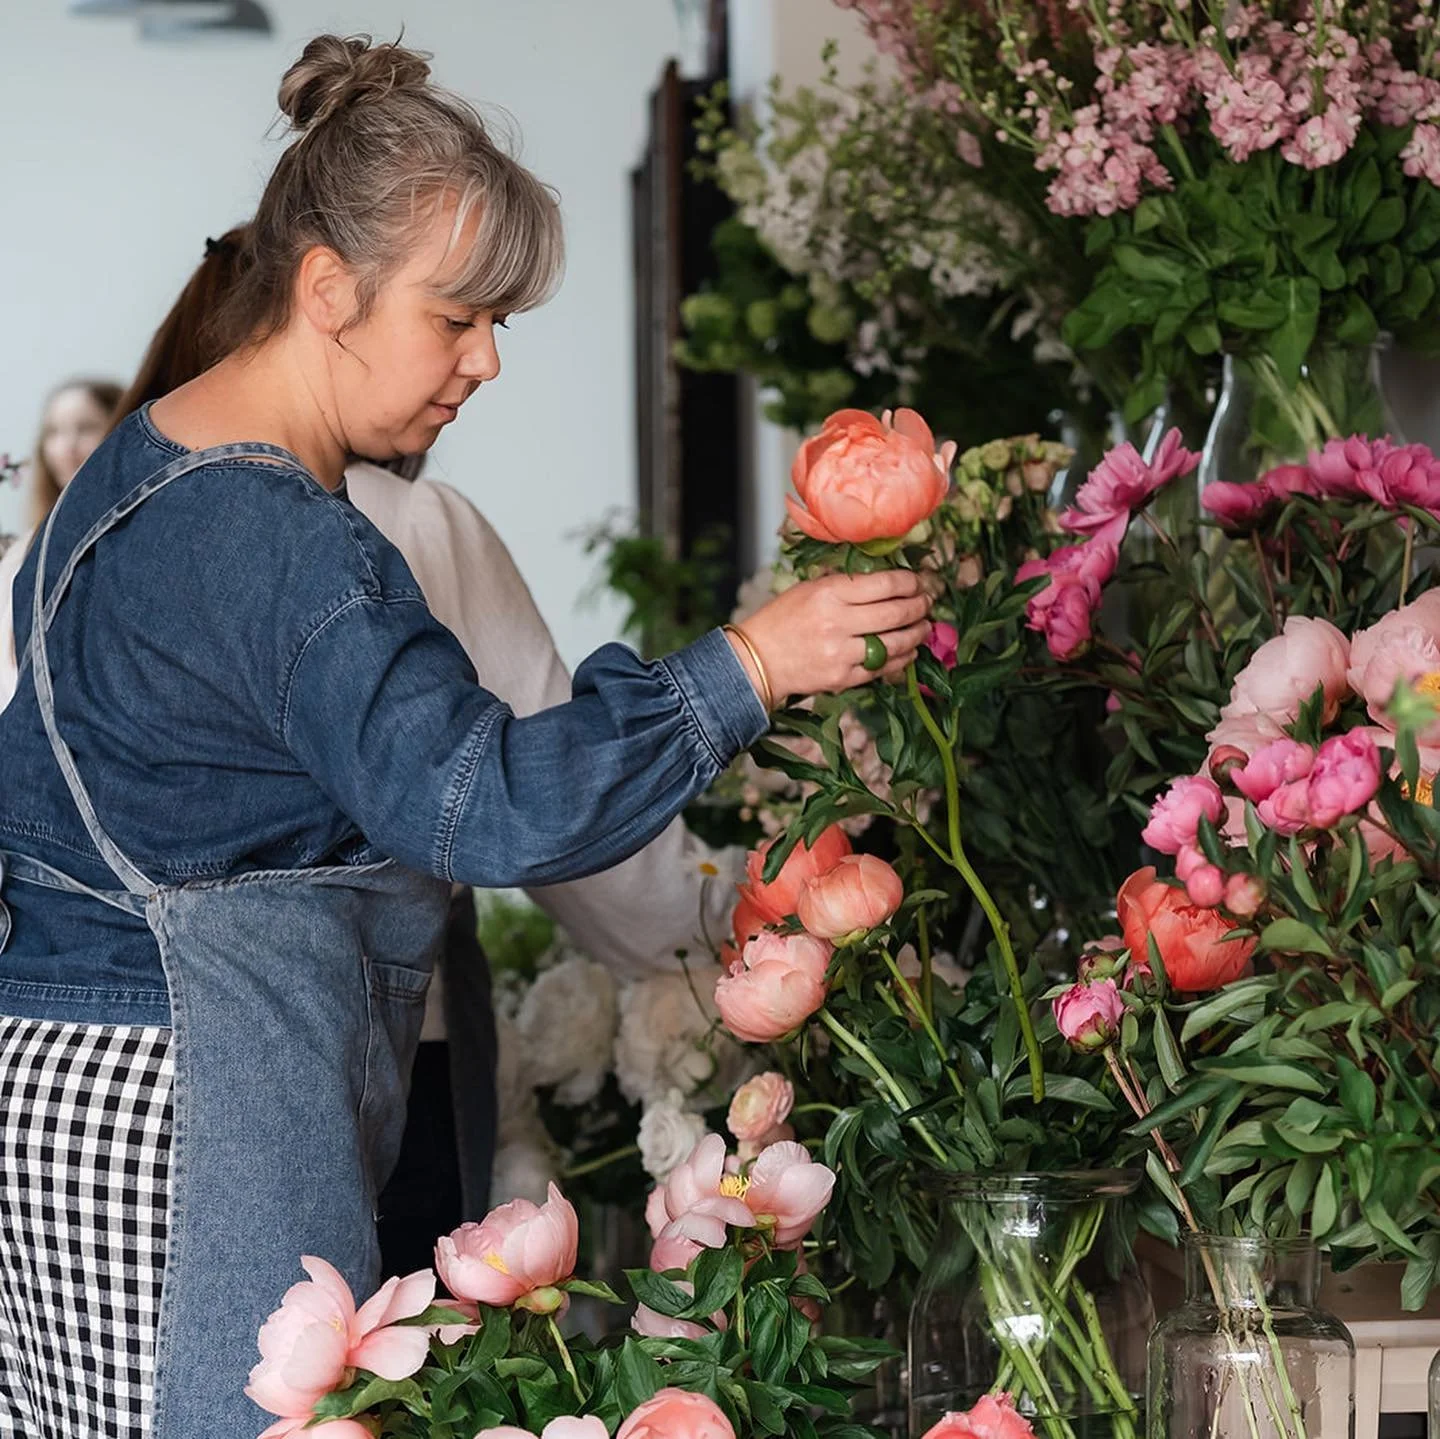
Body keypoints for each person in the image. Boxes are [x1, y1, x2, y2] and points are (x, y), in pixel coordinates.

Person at [0, 34, 932, 1439]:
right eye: (455, 318)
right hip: (191, 1110)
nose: (486, 361)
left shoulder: (134, 471)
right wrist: (750, 664)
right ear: (328, 288)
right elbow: (485, 800)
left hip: (74, 1090)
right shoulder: (285, 542)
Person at [91, 223, 752, 1272]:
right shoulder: (407, 524)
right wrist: (750, 930)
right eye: (453, 321)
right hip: (381, 1062)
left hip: (97, 1078)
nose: (479, 362)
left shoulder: (77, 540)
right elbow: (557, 833)